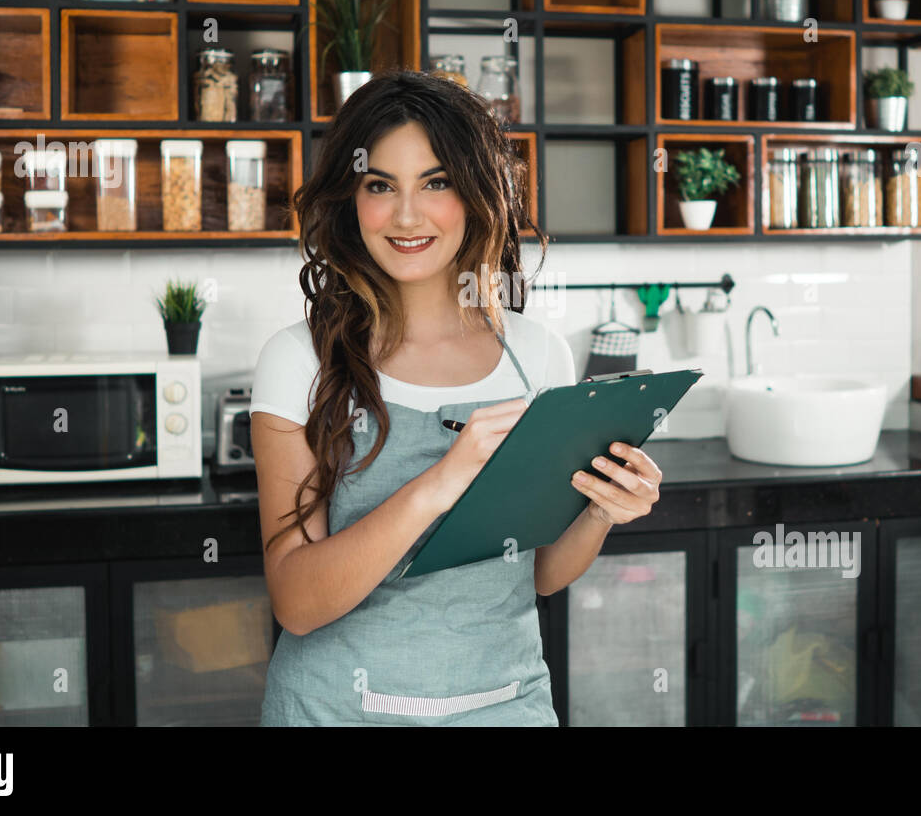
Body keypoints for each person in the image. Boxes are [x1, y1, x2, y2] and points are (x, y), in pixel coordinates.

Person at [249, 69, 665, 725]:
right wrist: (443, 480)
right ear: (350, 201)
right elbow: (296, 601)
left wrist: (602, 509)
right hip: (335, 711)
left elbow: (537, 574)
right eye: (380, 185)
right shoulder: (299, 359)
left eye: (435, 183)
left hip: (505, 705)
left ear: (474, 194)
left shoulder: (537, 356)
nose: (406, 215)